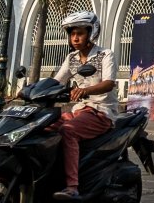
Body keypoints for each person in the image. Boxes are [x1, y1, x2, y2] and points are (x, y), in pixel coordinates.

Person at [50, 11, 119, 201]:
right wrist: (30, 90)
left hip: (101, 111)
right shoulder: (71, 58)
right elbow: (57, 81)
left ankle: (72, 187)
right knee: (45, 126)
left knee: (68, 131)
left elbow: (108, 83)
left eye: (80, 33)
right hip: (79, 111)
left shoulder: (105, 54)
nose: (75, 38)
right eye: (72, 34)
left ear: (91, 33)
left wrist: (85, 91)